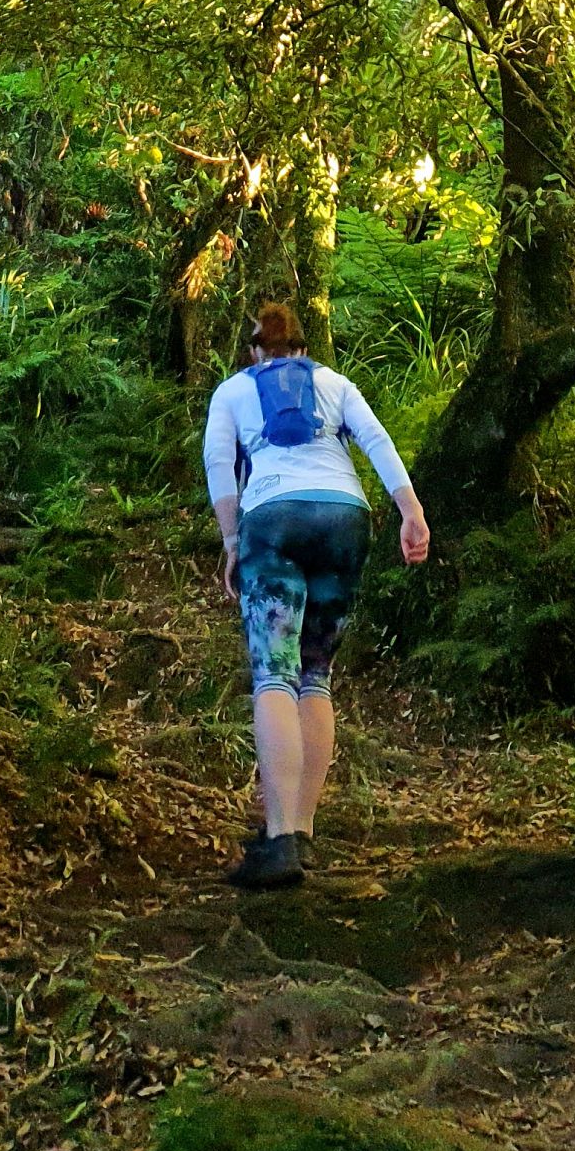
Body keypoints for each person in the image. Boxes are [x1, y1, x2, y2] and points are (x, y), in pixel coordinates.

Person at [201, 300, 430, 891]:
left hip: (274, 517)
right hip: (343, 518)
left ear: (255, 350)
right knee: (315, 673)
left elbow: (219, 465)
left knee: (273, 673)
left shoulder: (232, 391)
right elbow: (376, 441)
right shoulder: (335, 383)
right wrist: (411, 513)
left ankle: (278, 840)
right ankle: (301, 828)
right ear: (304, 347)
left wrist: (232, 541)